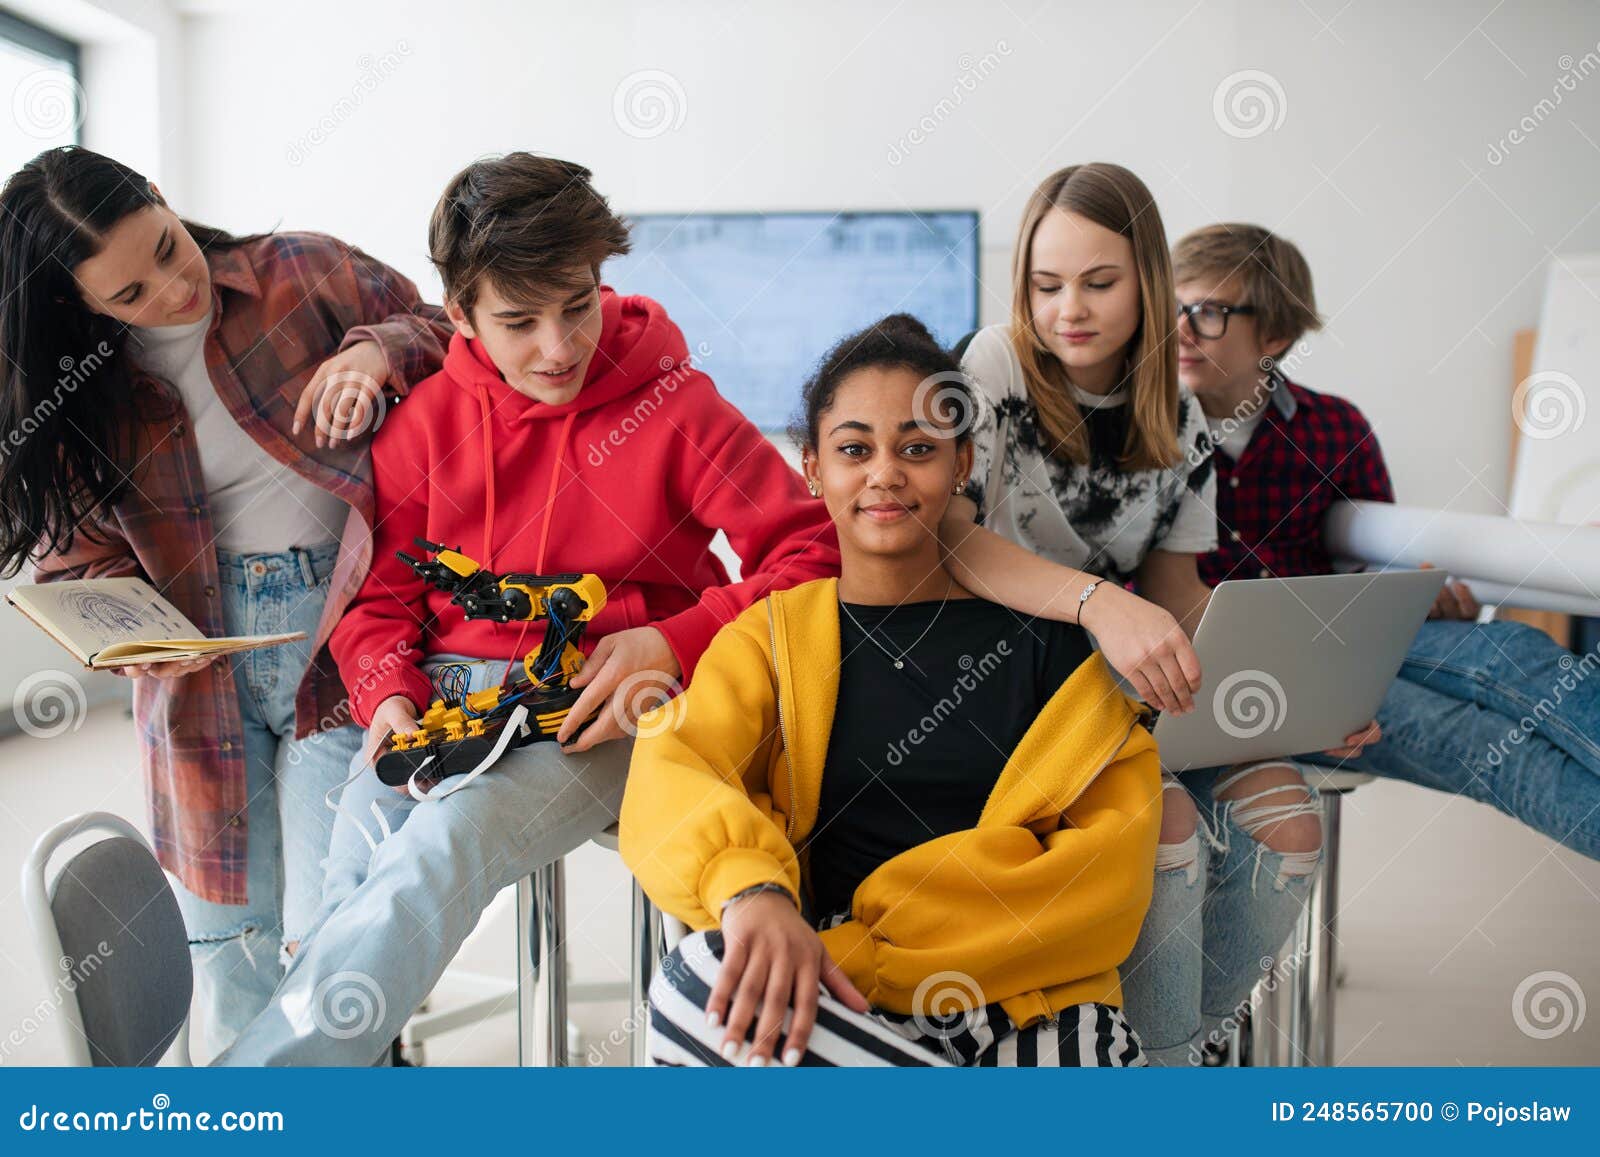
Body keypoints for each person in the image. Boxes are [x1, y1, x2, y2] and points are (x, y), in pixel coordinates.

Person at [215, 152, 840, 1065]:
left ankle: (243, 1103)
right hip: (440, 701)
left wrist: (670, 639)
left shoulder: (676, 405)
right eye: (519, 320)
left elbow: (811, 552)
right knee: (342, 894)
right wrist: (388, 697)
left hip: (599, 703)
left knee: (440, 847)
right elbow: (379, 598)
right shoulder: (425, 420)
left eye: (578, 305)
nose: (559, 346)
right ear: (460, 315)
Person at [0, 146, 450, 1055]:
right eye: (129, 294)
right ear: (75, 305)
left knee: (340, 938)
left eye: (168, 248)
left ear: (166, 201)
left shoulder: (302, 271)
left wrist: (373, 351)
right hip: (196, 670)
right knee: (230, 946)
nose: (172, 291)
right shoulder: (79, 395)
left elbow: (447, 327)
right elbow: (79, 566)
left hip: (343, 633)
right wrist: (132, 631)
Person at [624, 315, 1160, 1067]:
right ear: (812, 468)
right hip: (843, 1006)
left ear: (963, 462)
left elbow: (1106, 879)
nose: (885, 473)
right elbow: (673, 772)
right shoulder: (769, 642)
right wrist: (754, 893)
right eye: (853, 449)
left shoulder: (1053, 647)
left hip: (1031, 1004)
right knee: (695, 981)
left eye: (917, 448)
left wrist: (862, 950)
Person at [934, 163, 1377, 1064]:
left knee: (1291, 827)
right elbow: (954, 543)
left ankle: (1169, 1058)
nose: (1069, 310)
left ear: (1149, 283)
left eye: (1100, 283)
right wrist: (1100, 604)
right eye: (1046, 285)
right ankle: (1166, 1079)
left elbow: (1179, 591)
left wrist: (1302, 692)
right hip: (1000, 675)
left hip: (1119, 678)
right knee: (1166, 825)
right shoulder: (995, 363)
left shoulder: (1178, 413)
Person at [1175, 221, 1600, 864]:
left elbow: (1382, 566)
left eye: (1207, 312)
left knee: (1520, 654)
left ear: (1275, 336)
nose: (1179, 329)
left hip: (1343, 638)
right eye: (1172, 308)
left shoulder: (1334, 427)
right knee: (1473, 738)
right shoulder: (1141, 435)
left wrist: (1417, 600)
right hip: (1246, 678)